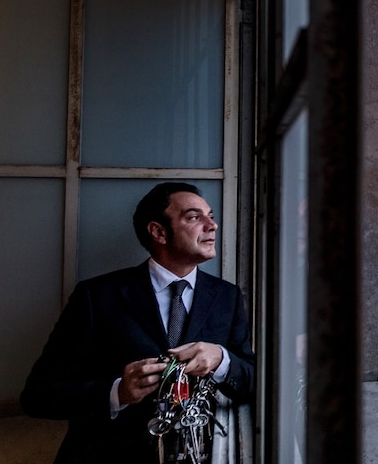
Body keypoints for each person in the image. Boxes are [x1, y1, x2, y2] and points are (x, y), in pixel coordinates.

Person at [21, 182, 255, 463]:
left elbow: (252, 383)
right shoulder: (97, 296)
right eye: (194, 217)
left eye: (211, 216)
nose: (212, 226)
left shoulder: (226, 297)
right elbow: (37, 395)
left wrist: (221, 360)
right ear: (158, 231)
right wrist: (117, 392)